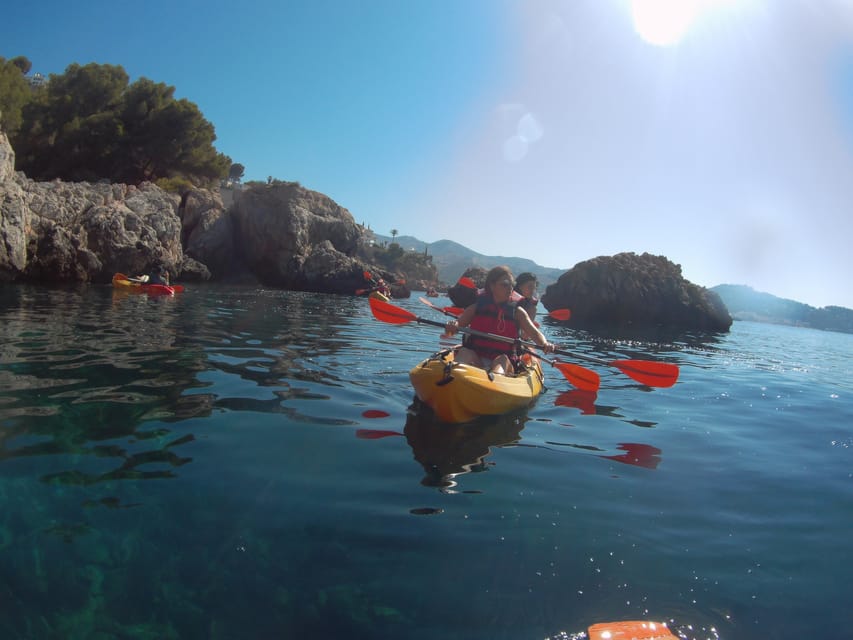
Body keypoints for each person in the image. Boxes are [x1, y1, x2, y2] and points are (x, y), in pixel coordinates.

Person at [443, 266, 554, 376]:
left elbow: (534, 333)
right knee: (465, 352)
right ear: (492, 286)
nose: (510, 288)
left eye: (512, 285)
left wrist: (545, 343)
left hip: (503, 362)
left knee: (502, 360)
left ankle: (494, 380)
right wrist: (452, 326)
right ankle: (453, 376)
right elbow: (455, 328)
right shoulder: (476, 307)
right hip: (477, 359)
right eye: (505, 284)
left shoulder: (517, 312)